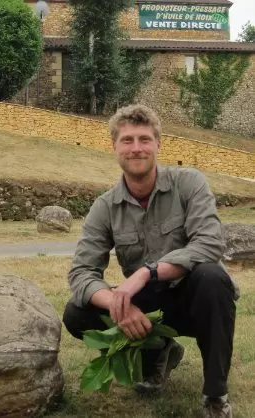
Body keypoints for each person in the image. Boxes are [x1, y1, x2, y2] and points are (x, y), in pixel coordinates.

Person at [63, 104, 239, 418]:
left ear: (158, 144)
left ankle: (215, 395)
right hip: (149, 309)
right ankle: (157, 355)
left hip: (195, 297)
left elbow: (210, 243)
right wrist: (120, 304)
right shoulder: (105, 206)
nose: (136, 148)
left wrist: (148, 271)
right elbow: (82, 272)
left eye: (144, 139)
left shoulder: (189, 183)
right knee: (77, 312)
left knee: (212, 277)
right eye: (127, 140)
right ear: (114, 147)